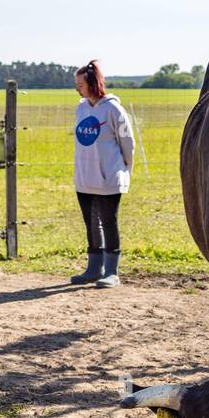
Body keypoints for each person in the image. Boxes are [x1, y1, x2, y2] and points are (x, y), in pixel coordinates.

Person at [70, 59, 136, 288]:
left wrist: (126, 168)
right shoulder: (81, 107)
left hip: (108, 177)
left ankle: (112, 272)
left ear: (92, 82)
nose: (77, 88)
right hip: (84, 179)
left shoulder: (113, 109)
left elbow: (127, 142)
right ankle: (93, 269)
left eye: (80, 84)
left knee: (109, 222)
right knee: (91, 224)